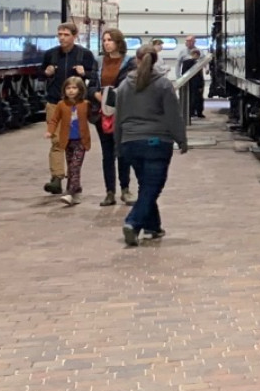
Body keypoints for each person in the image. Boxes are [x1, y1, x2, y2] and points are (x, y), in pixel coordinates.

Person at [115, 49, 187, 247]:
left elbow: (118, 117)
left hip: (131, 143)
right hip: (156, 143)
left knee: (146, 186)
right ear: (156, 61)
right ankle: (133, 222)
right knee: (151, 188)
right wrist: (181, 139)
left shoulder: (123, 86)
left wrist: (118, 144)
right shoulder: (163, 85)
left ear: (136, 60)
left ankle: (153, 227)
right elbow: (173, 115)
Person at [40, 23, 97, 194]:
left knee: (75, 142)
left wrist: (84, 73)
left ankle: (74, 181)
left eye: (65, 34)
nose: (62, 38)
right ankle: (57, 178)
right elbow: (40, 74)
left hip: (77, 105)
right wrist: (46, 73)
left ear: (74, 36)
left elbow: (95, 75)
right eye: (59, 34)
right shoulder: (51, 54)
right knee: (57, 141)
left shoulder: (84, 55)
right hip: (55, 102)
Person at [95, 28, 135, 207]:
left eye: (109, 40)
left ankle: (125, 189)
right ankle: (109, 192)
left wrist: (112, 96)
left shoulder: (129, 62)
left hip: (121, 112)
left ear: (118, 42)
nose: (106, 43)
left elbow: (129, 84)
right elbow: (89, 84)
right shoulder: (98, 62)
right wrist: (96, 95)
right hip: (101, 112)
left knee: (122, 152)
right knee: (107, 154)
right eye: (104, 40)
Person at [46, 76, 93, 205]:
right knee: (71, 166)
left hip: (81, 141)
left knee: (74, 167)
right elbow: (54, 119)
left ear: (80, 89)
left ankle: (70, 192)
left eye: (74, 88)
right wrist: (50, 131)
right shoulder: (61, 105)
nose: (71, 91)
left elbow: (93, 116)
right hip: (67, 141)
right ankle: (77, 191)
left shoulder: (85, 104)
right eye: (68, 88)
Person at [179, 36, 206, 120]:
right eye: (187, 41)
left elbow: (204, 62)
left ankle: (198, 112)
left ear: (194, 42)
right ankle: (190, 112)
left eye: (190, 41)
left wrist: (207, 69)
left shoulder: (200, 52)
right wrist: (178, 76)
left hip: (197, 79)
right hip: (188, 79)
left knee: (198, 96)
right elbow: (178, 64)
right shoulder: (183, 53)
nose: (188, 43)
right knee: (190, 96)